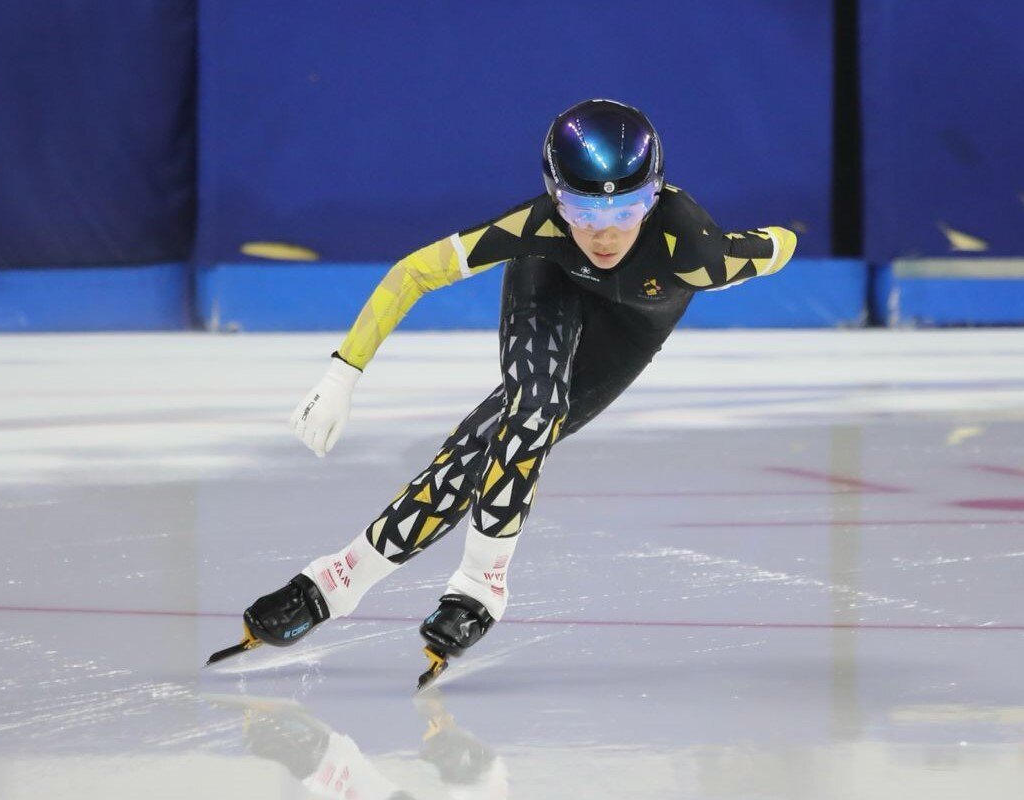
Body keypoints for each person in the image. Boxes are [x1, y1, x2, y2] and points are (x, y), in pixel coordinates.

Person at [206, 99, 797, 687]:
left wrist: (781, 239)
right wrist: (343, 373)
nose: (607, 232)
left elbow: (773, 246)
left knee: (485, 444)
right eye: (583, 209)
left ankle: (363, 579)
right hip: (549, 283)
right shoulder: (540, 228)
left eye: (629, 207)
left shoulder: (694, 252)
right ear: (554, 196)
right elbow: (414, 272)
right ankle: (415, 585)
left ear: (658, 195)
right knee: (531, 410)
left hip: (627, 332)